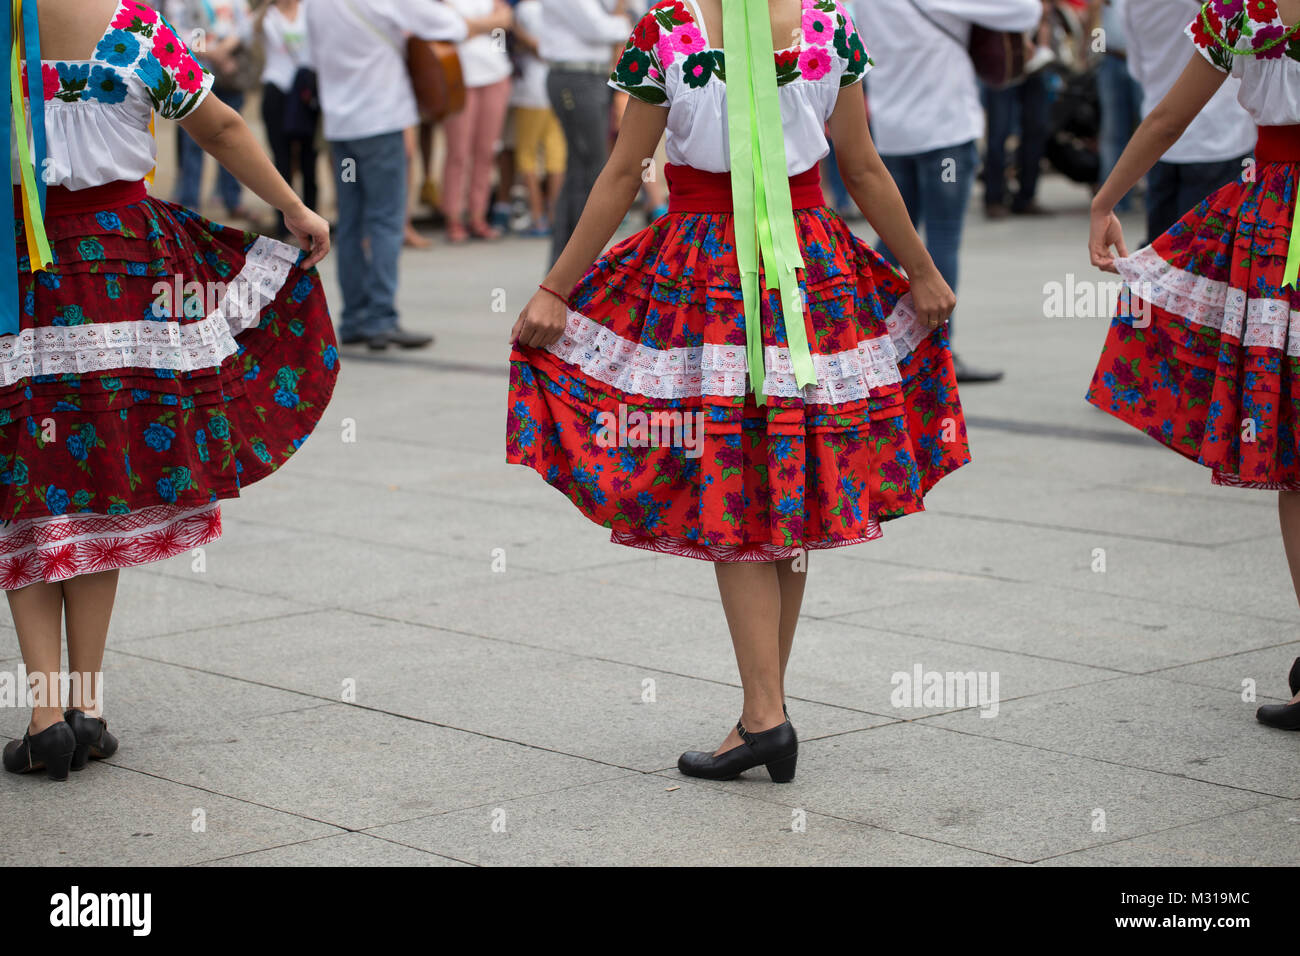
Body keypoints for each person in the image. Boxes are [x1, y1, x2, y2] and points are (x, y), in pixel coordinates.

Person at [508, 0, 969, 782]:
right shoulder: (826, 22)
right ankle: (767, 708)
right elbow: (860, 166)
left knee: (735, 487)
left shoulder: (671, 28)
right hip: (806, 268)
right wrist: (921, 270)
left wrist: (556, 287)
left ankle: (764, 715)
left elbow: (625, 172)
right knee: (785, 488)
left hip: (708, 276)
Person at [3, 0, 337, 781]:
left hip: (19, 275)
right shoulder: (135, 28)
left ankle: (45, 714)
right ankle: (88, 706)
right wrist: (291, 206)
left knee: (27, 485)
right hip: (123, 273)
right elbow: (218, 127)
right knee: (100, 481)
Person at [1087, 0, 1300, 733]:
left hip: (1278, 218)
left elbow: (1165, 121)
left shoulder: (1245, 11)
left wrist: (1106, 200)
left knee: (1295, 460)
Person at [855, 0, 1042, 385]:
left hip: (892, 131)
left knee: (892, 238)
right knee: (942, 234)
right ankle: (939, 351)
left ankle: (866, 338)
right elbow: (1026, 11)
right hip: (944, 133)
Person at [305, 0, 472, 351]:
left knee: (350, 223)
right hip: (381, 120)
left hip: (340, 124)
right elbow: (451, 26)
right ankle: (381, 319)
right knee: (385, 221)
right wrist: (498, 20)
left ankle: (353, 318)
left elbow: (311, 57)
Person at [1122, 0, 1255, 242]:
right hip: (1221, 136)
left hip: (1159, 146)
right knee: (1213, 260)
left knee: (1162, 256)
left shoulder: (1131, 4)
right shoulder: (1226, 7)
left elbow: (1136, 70)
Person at [539, 0, 631, 266]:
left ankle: (567, 262)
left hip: (588, 77)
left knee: (582, 169)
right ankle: (578, 262)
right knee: (591, 169)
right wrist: (624, 21)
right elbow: (599, 28)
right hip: (574, 79)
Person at [165, 0, 256, 220]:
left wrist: (224, 50)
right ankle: (190, 202)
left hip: (230, 75)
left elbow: (245, 26)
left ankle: (232, 199)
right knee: (193, 139)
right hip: (195, 73)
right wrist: (214, 53)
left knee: (232, 137)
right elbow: (175, 31)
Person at [443, 0, 515, 242]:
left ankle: (478, 216)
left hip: (496, 74)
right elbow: (447, 26)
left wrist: (470, 27)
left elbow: (506, 19)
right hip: (458, 78)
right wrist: (488, 24)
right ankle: (454, 217)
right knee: (458, 153)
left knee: (486, 152)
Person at [255, 0, 318, 237]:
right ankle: (283, 225)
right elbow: (245, 34)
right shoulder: (267, 15)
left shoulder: (310, 9)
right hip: (276, 90)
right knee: (281, 160)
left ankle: (312, 220)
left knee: (309, 158)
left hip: (304, 91)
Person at [511, 0, 566, 237]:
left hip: (531, 91)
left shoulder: (526, 9)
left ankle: (537, 217)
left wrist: (516, 33)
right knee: (555, 154)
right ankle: (555, 216)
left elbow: (538, 48)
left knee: (527, 155)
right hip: (556, 85)